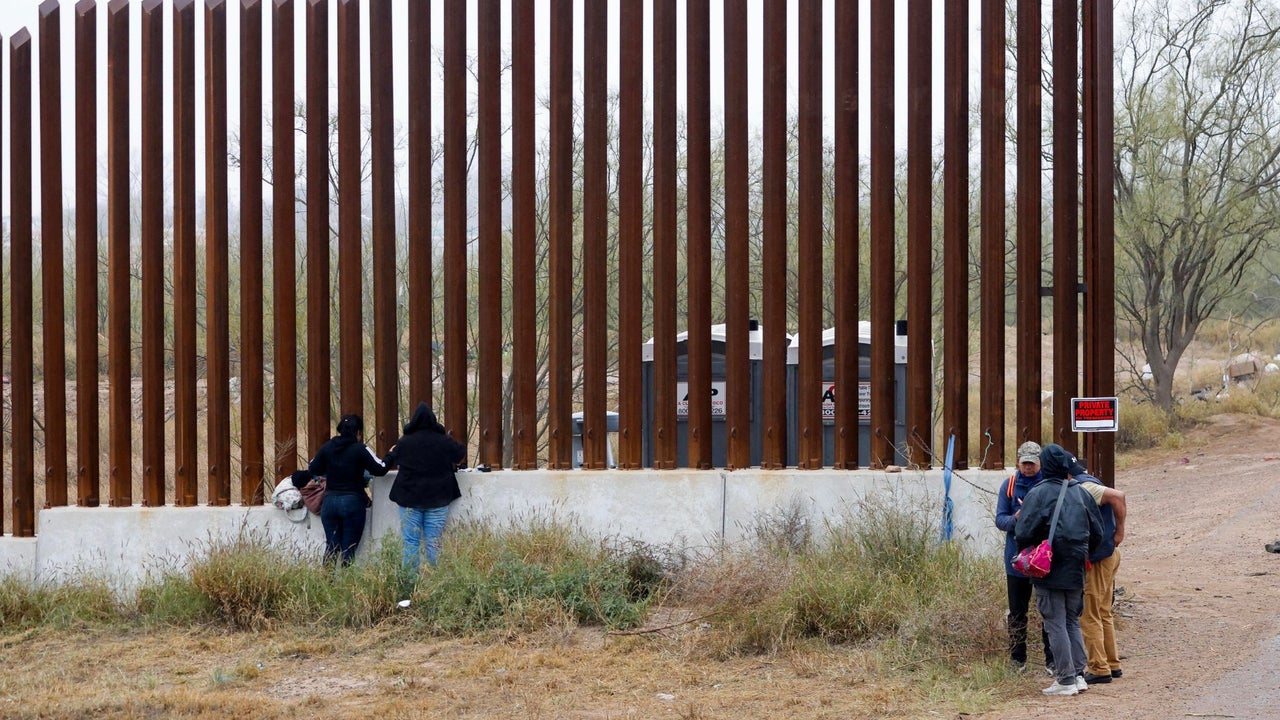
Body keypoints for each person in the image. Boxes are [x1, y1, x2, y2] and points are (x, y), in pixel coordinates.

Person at [1015, 443, 1103, 697]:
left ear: (1045, 465)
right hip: (1076, 567)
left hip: (1049, 568)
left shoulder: (1038, 493)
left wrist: (1035, 549)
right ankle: (1077, 675)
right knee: (1071, 620)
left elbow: (1023, 533)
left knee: (1054, 622)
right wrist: (1081, 553)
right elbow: (1098, 533)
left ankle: (1064, 680)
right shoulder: (1082, 493)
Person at [995, 440, 1055, 673]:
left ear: (1040, 463)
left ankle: (1051, 660)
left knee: (1047, 610)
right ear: (1018, 463)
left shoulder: (1049, 485)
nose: (1029, 468)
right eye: (1025, 464)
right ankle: (1018, 660)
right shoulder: (1009, 485)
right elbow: (1000, 519)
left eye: (1033, 463)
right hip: (1016, 561)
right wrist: (1018, 518)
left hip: (1042, 559)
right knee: (1017, 613)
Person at [388, 402, 467, 577]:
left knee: (410, 542)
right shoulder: (443, 440)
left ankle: (410, 584)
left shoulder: (405, 442)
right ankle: (435, 584)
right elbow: (460, 454)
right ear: (433, 421)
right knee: (433, 543)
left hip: (409, 499)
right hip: (438, 499)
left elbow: (393, 457)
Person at [308, 414, 392, 565]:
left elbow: (313, 467)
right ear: (358, 433)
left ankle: (327, 584)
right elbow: (380, 468)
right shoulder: (360, 449)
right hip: (352, 502)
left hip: (329, 503)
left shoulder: (328, 447)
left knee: (332, 547)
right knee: (349, 549)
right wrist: (392, 455)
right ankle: (347, 585)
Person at [1075, 464, 1127, 684]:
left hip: (1098, 560)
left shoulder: (1084, 486)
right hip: (1108, 555)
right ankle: (1112, 664)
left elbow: (1118, 496)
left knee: (1089, 614)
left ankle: (1099, 667)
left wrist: (1120, 531)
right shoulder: (1089, 481)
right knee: (1103, 612)